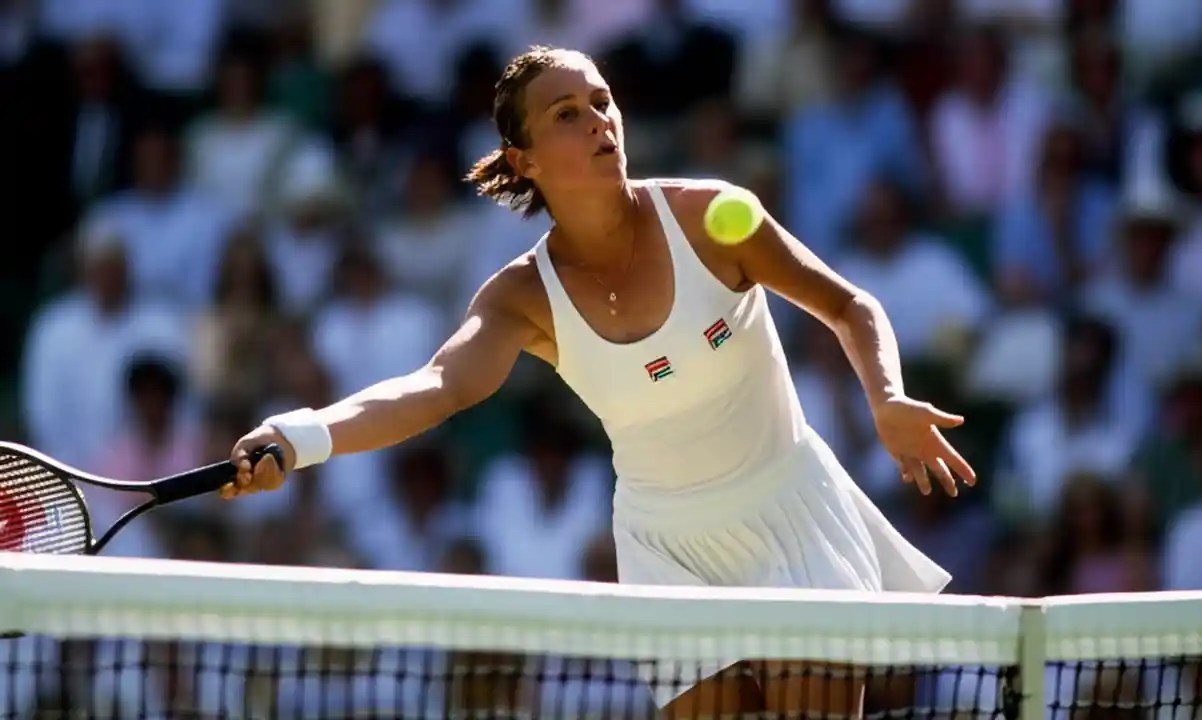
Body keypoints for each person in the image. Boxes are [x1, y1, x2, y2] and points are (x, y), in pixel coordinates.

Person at [223, 46, 975, 719]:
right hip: (662, 545)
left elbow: (849, 306)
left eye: (603, 102)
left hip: (789, 510)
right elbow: (436, 387)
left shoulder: (713, 216)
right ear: (522, 159)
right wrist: (300, 435)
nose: (598, 121)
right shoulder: (523, 296)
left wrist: (886, 397)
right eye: (567, 113)